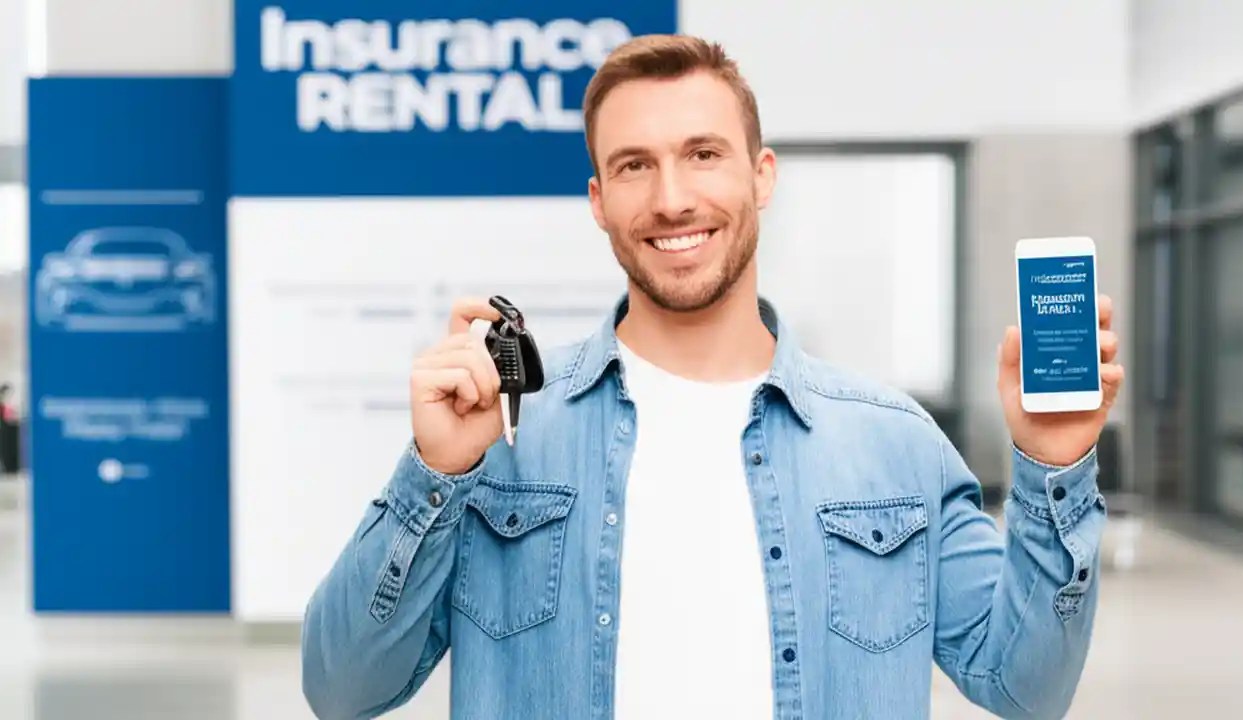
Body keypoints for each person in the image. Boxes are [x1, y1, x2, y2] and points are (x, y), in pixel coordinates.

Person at [301, 34, 1124, 720]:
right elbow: (342, 689)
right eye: (633, 166)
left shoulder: (895, 445)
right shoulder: (503, 442)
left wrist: (1053, 464)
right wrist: (436, 471)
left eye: (703, 154)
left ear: (761, 176)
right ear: (598, 199)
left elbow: (1026, 689)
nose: (671, 198)